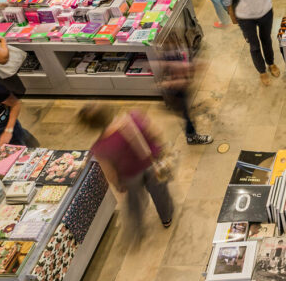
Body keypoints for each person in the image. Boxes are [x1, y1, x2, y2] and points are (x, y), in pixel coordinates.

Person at [78, 102, 174, 231]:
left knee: (134, 201)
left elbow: (110, 172)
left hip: (129, 176)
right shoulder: (134, 117)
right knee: (160, 193)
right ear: (109, 111)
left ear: (91, 127)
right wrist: (160, 148)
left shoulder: (98, 147)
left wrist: (118, 185)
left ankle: (137, 225)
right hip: (151, 165)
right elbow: (156, 133)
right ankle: (166, 218)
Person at [227, 0, 280, 86]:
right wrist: (232, 16)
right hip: (246, 17)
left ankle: (271, 63)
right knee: (254, 46)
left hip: (266, 12)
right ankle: (262, 71)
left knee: (266, 40)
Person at [154, 41, 212, 145]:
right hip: (175, 94)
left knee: (186, 113)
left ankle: (191, 134)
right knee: (186, 116)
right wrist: (180, 81)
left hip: (179, 91)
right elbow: (166, 81)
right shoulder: (166, 61)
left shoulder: (171, 55)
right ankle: (192, 137)